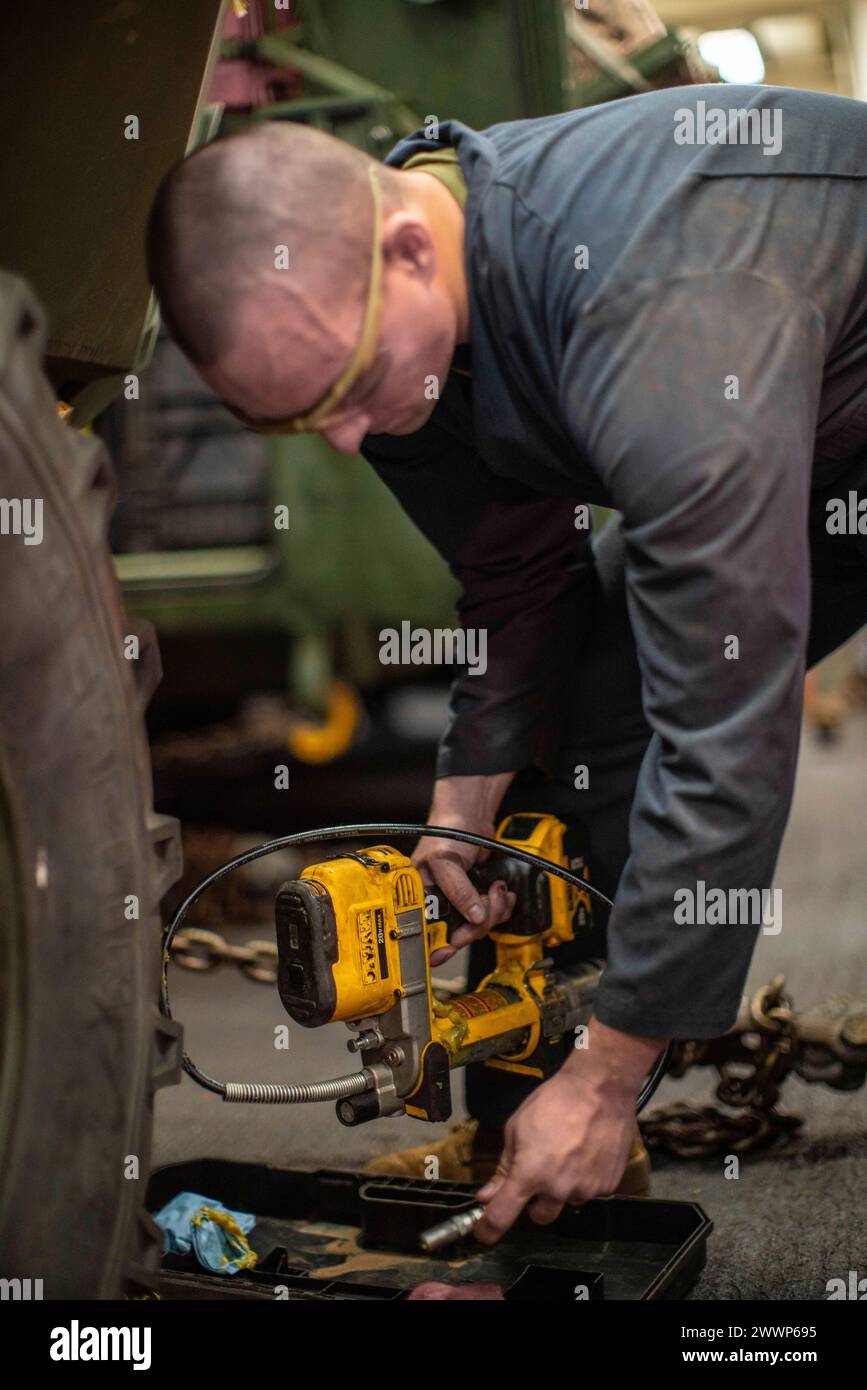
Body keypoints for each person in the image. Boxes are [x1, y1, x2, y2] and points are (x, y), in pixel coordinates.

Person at [145, 84, 867, 1243]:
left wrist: (617, 1069)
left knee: (698, 693)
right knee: (570, 705)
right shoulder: (392, 333)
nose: (343, 434)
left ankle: (590, 1103)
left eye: (341, 389)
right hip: (819, 434)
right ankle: (522, 1141)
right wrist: (458, 811)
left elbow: (725, 718)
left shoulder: (658, 315)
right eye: (300, 419)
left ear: (413, 245)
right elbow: (521, 581)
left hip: (807, 401)